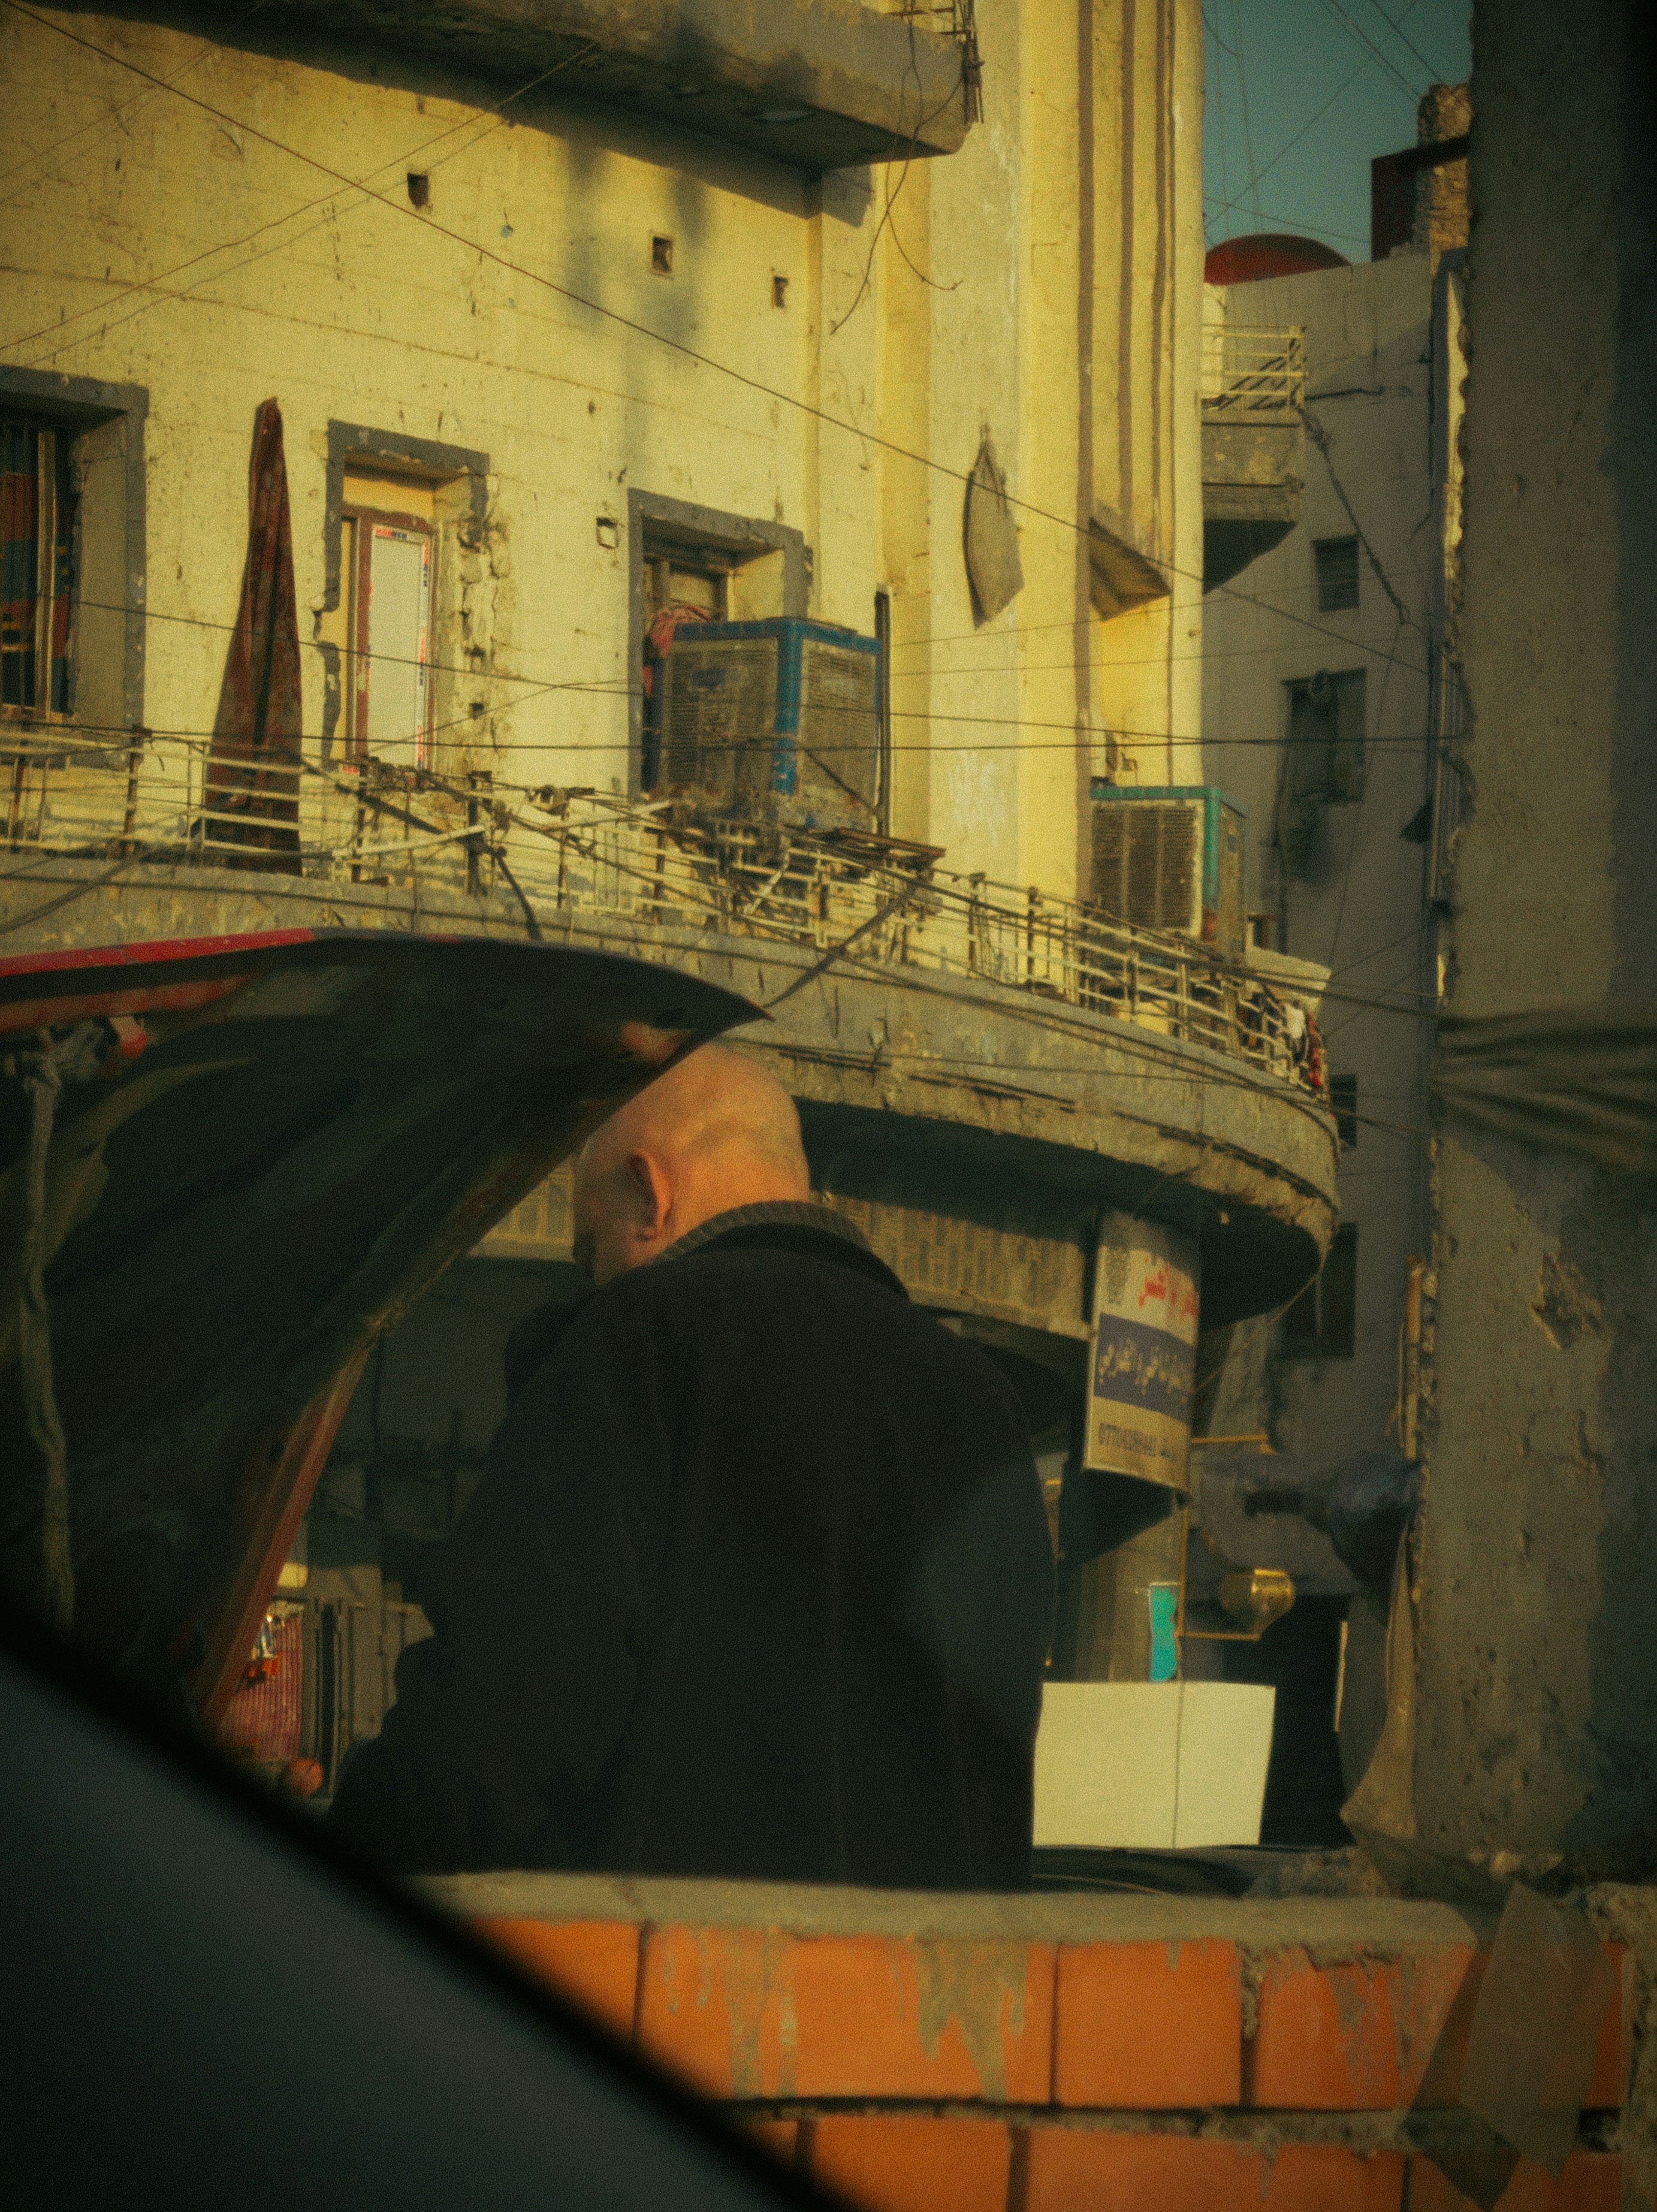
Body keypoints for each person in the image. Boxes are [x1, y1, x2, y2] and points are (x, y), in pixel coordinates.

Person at [328, 1046, 1054, 1887]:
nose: (589, 1275)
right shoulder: (981, 1402)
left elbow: (502, 1721)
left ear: (650, 1193)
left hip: (681, 1988)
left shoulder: (639, 1337)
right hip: (933, 2000)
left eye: (586, 1249)